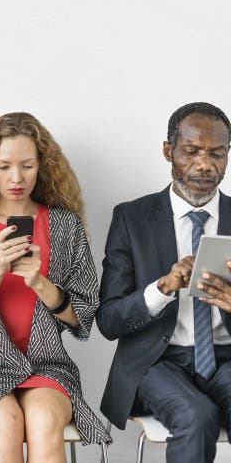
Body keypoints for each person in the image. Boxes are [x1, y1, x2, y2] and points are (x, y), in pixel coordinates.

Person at [0, 112, 110, 463]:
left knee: (45, 420)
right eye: (4, 167)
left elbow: (84, 315)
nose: (16, 178)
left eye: (27, 166)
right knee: (7, 421)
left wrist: (41, 283)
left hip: (45, 365)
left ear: (42, 165)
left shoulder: (64, 225)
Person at [98, 102, 231, 463]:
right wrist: (162, 289)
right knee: (195, 416)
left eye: (218, 153)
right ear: (168, 151)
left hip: (226, 360)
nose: (206, 164)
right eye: (191, 151)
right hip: (157, 361)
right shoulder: (132, 218)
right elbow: (108, 321)